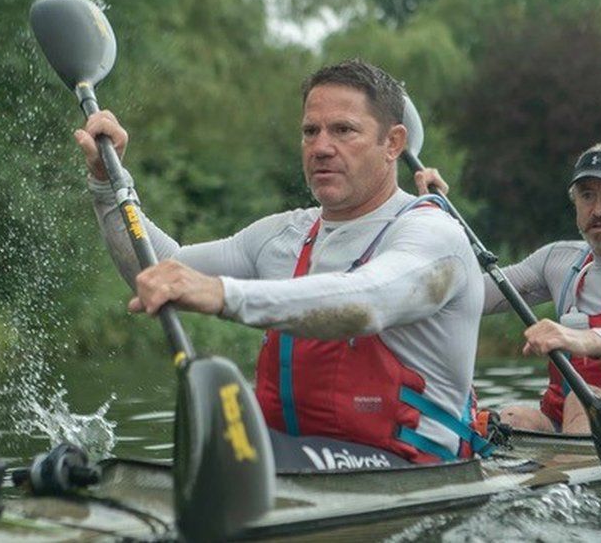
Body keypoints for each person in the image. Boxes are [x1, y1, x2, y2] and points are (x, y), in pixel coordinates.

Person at [75, 59, 490, 464]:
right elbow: (161, 268)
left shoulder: (434, 236)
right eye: (311, 131)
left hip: (411, 471)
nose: (322, 147)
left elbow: (367, 302)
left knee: (238, 450)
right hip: (293, 463)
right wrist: (107, 182)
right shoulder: (281, 236)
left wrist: (221, 293)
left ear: (393, 144)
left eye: (343, 130)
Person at [417, 141, 601, 434]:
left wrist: (577, 339)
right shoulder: (558, 260)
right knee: (510, 419)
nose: (599, 209)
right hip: (570, 423)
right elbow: (463, 294)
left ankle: (561, 477)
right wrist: (433, 219)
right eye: (587, 195)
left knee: (584, 400)